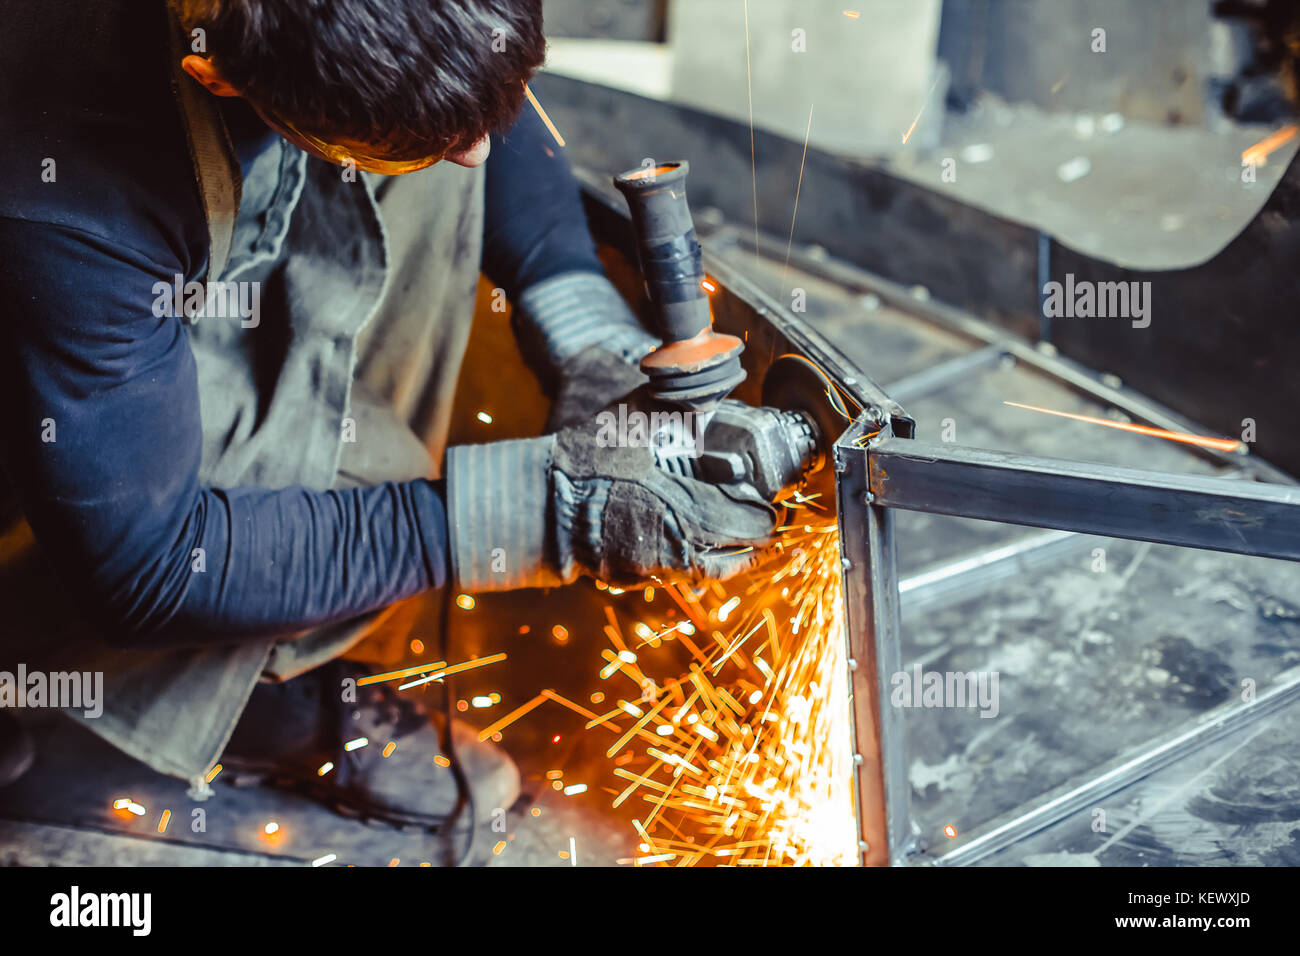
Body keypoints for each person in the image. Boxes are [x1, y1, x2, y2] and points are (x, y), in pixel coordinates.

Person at [0, 0, 775, 828]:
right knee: (370, 476)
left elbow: (471, 91)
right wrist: (542, 513)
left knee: (426, 110)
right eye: (438, 144)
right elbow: (147, 570)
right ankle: (199, 697)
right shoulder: (65, 187)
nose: (478, 151)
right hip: (54, 358)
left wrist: (580, 325)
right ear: (216, 72)